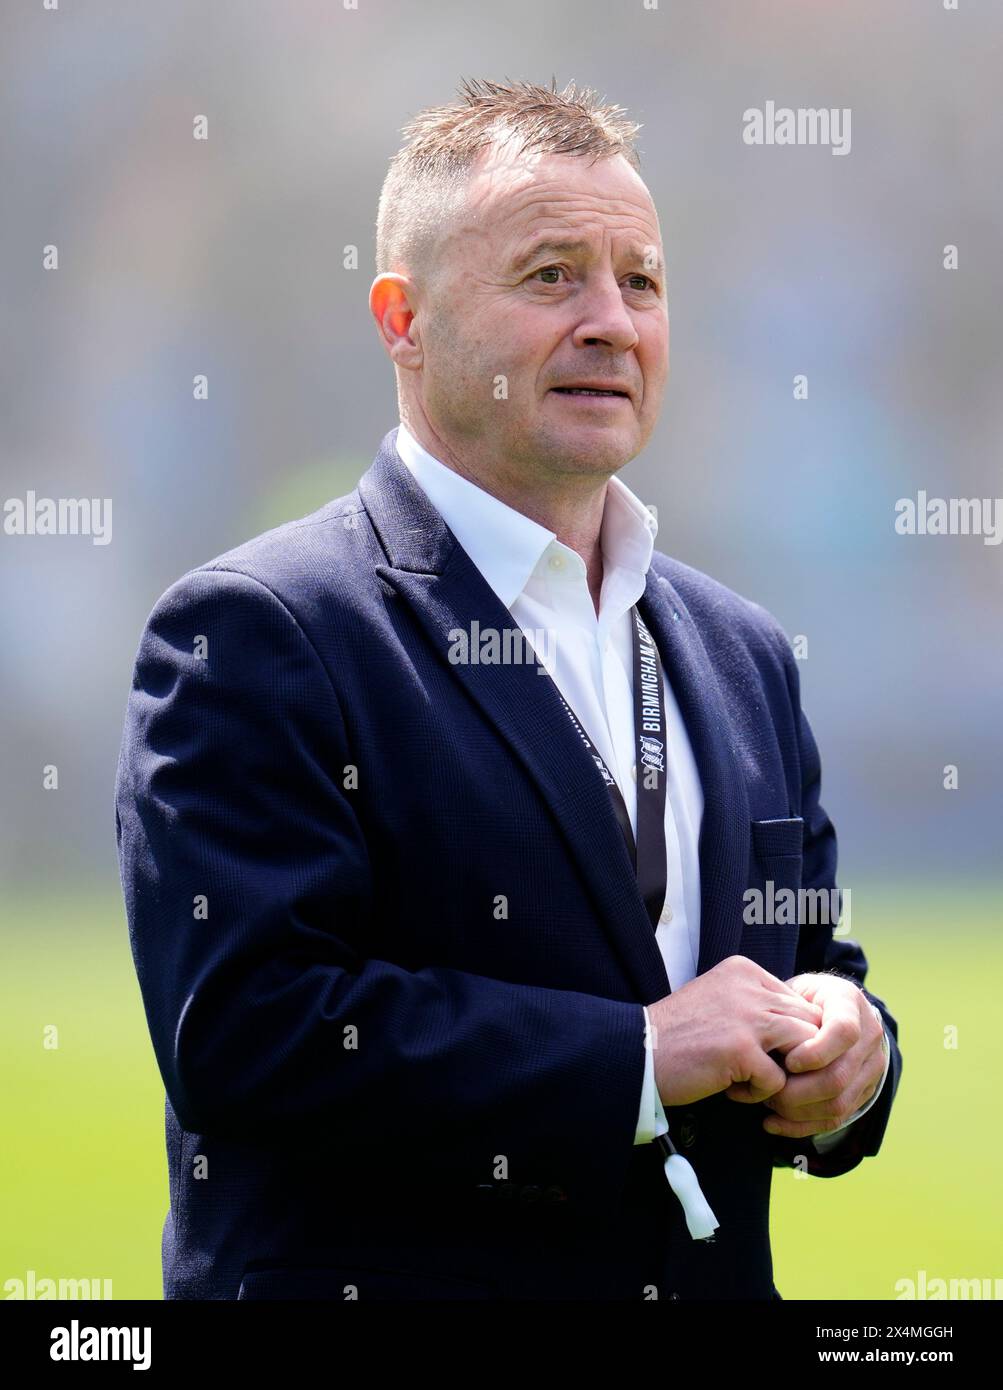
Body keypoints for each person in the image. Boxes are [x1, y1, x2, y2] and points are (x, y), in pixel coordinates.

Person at [114, 77, 901, 1302]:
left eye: (639, 280)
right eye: (549, 276)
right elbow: (248, 1031)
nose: (610, 320)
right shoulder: (257, 630)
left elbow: (809, 962)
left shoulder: (742, 648)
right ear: (403, 320)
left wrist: (851, 1052)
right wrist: (635, 1053)